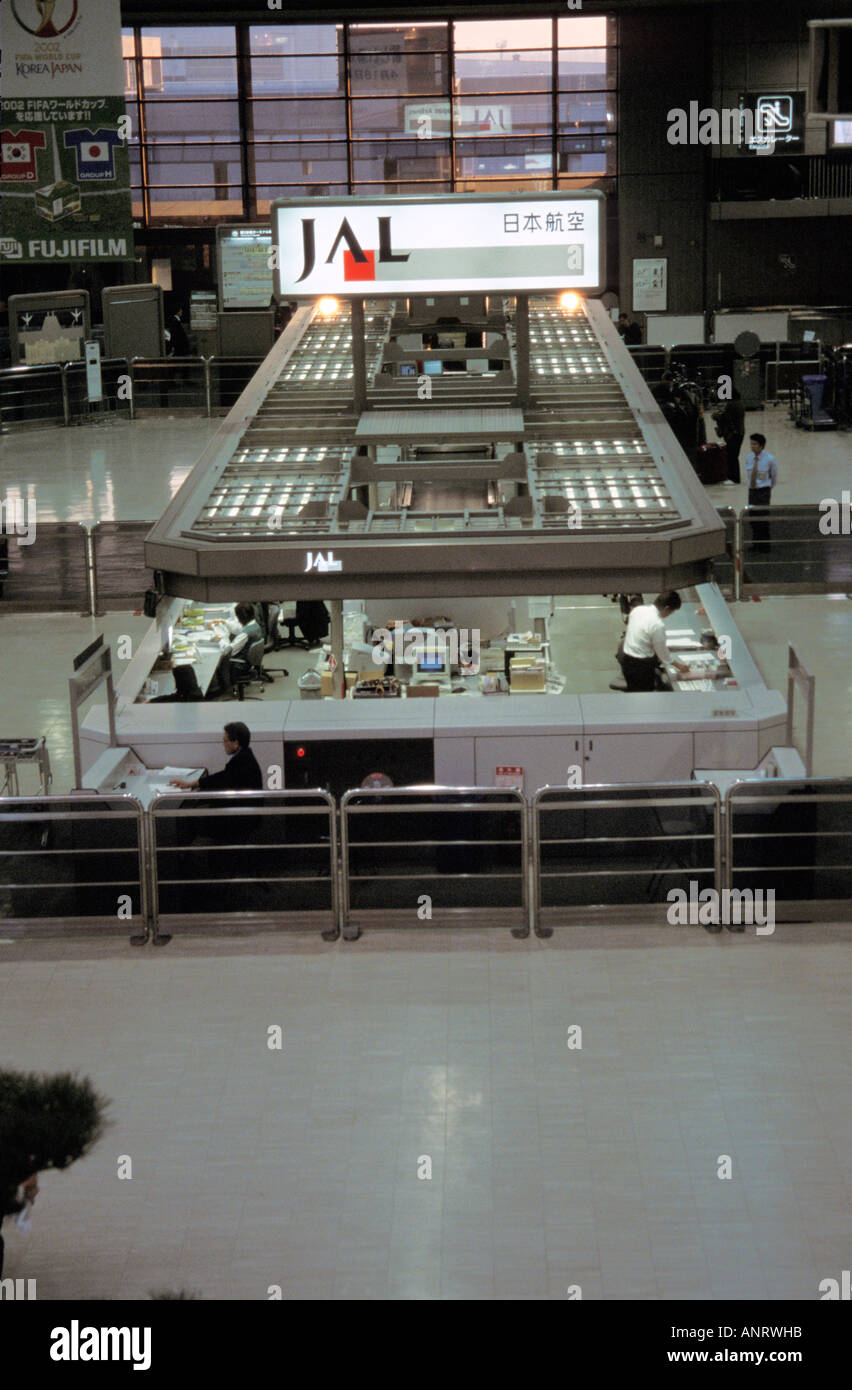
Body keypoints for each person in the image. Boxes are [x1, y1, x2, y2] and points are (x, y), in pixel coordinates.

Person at [621, 590, 692, 692]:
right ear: (667, 608)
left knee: (634, 693)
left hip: (627, 661)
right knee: (645, 697)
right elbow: (663, 654)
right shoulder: (657, 624)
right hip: (641, 668)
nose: (669, 615)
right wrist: (680, 666)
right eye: (671, 612)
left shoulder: (637, 610)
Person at [169, 722, 262, 792]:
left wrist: (194, 787)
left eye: (225, 741)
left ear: (235, 743)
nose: (223, 744)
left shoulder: (242, 762)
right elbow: (222, 776)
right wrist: (193, 784)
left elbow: (222, 780)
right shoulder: (245, 756)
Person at [210, 602, 263, 695]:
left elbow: (228, 651)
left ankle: (220, 688)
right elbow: (238, 630)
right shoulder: (254, 625)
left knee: (219, 659)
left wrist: (218, 638)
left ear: (241, 618)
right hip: (249, 662)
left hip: (240, 665)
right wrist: (224, 622)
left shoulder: (245, 634)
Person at [745, 432, 778, 552]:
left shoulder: (770, 459)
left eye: (755, 444)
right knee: (753, 518)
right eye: (751, 443)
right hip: (752, 491)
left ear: (761, 446)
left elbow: (774, 477)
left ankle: (765, 545)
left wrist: (767, 488)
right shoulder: (749, 458)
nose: (752, 446)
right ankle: (756, 543)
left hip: (763, 491)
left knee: (763, 518)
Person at [714, 388, 745, 485]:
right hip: (740, 432)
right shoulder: (740, 403)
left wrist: (716, 416)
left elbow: (725, 417)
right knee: (734, 455)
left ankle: (733, 478)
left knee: (731, 456)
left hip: (733, 434)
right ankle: (734, 477)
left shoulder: (731, 405)